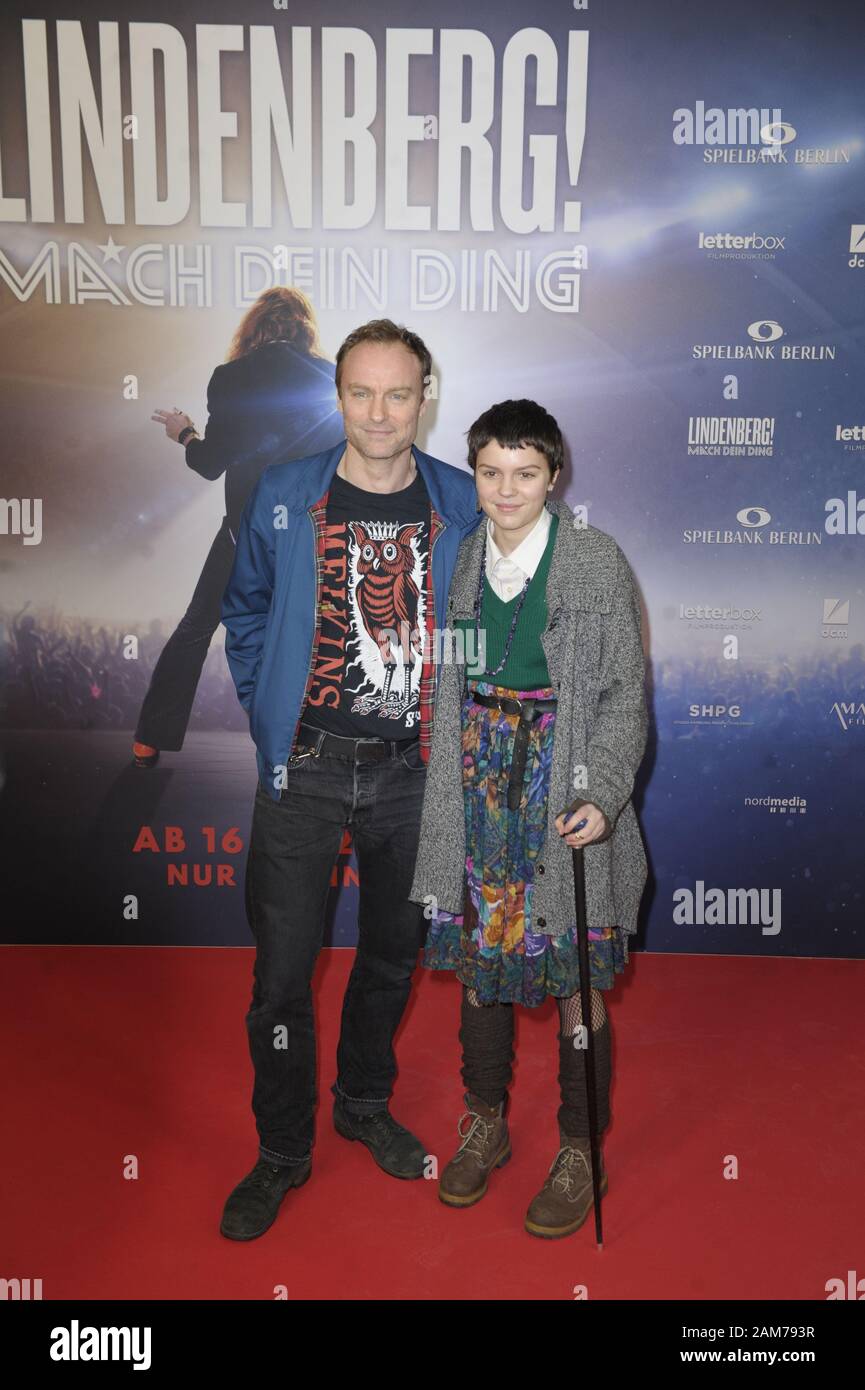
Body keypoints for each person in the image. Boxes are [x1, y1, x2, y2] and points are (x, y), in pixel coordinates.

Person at [218, 319, 481, 1241]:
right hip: (304, 770)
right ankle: (282, 1150)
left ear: (424, 397)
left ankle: (362, 1102)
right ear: (338, 398)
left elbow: (485, 627)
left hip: (414, 775)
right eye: (360, 392)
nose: (378, 412)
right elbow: (244, 611)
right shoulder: (286, 492)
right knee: (281, 979)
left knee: (391, 955)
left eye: (397, 393)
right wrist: (266, 713)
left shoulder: (461, 499)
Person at [408, 399, 649, 1239]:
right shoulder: (464, 558)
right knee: (482, 971)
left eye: (524, 474)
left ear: (554, 477)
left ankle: (580, 1148)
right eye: (489, 473)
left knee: (578, 984)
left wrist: (601, 791)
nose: (505, 490)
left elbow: (623, 697)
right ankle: (486, 1122)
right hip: (477, 795)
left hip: (564, 796)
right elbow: (454, 683)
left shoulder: (593, 564)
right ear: (472, 474)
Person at [133, 286, 343, 767]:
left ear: (254, 328)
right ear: (304, 328)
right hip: (308, 534)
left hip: (243, 532)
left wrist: (184, 432)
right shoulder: (329, 377)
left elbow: (210, 464)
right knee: (317, 639)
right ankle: (314, 749)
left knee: (197, 625)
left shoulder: (230, 378)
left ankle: (150, 738)